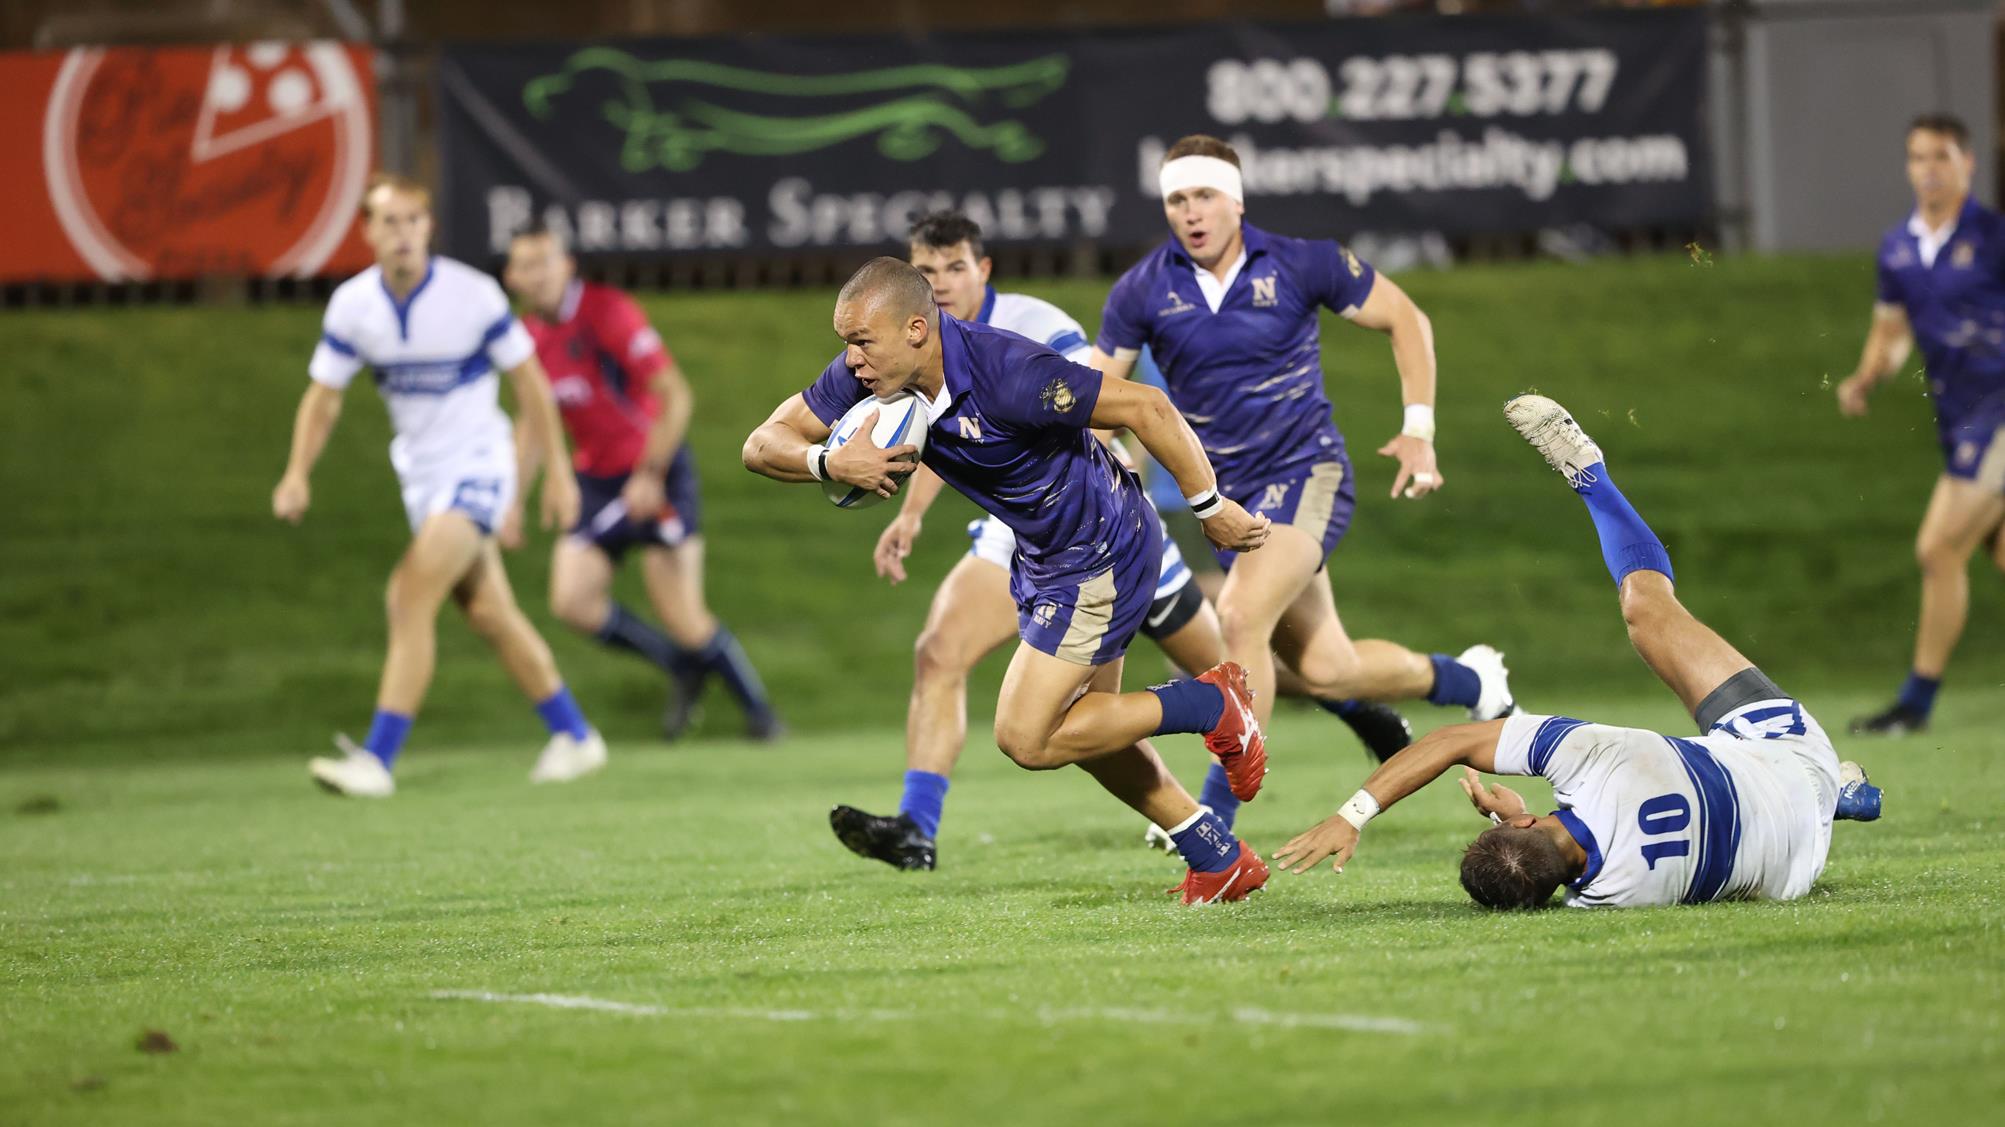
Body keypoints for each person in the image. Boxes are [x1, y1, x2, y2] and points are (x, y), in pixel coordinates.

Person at [833, 212, 1410, 871]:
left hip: (1097, 525)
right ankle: (922, 825)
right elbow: (942, 438)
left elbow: (1109, 414)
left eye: (952, 268)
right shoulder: (892, 356)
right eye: (925, 271)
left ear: (981, 270)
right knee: (970, 665)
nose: (939, 284)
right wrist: (904, 512)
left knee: (1210, 662)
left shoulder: (1029, 333)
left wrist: (1170, 501)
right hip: (1024, 540)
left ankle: (1340, 702)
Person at [745, 257, 1271, 903]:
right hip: (1047, 553)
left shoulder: (1008, 372)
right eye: (845, 343)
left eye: (861, 341)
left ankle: (1213, 704)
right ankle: (1216, 856)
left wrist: (1210, 507)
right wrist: (825, 459)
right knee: (1088, 728)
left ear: (915, 328)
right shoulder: (869, 377)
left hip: (1100, 547)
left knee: (1026, 735)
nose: (850, 359)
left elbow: (1145, 405)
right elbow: (760, 442)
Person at [1273, 396, 1884, 908]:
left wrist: (1514, 833)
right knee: (1646, 610)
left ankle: (1836, 794)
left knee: (1752, 812)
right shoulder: (1595, 760)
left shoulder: (1614, 896)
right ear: (1524, 822)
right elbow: (1450, 743)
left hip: (1801, 852)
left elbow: (1560, 861)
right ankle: (1591, 474)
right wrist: (1350, 815)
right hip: (1778, 750)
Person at [1088, 135, 1516, 817]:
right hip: (1225, 498)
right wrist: (1095, 454)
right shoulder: (1141, 288)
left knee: (1238, 614)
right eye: (1176, 199)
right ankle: (1468, 678)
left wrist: (1418, 428)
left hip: (1304, 470)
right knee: (1326, 669)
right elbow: (1098, 395)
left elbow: (1405, 318)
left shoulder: (1300, 261)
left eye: (1203, 195)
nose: (1190, 212)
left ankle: (1215, 818)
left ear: (1235, 199)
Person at [273, 173, 605, 797]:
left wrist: (556, 475)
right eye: (387, 221)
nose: (401, 233)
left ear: (429, 228)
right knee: (487, 612)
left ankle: (377, 759)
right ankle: (576, 736)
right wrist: (297, 472)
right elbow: (323, 399)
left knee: (408, 595)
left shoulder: (472, 295)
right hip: (421, 477)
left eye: (412, 220)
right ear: (367, 231)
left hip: (479, 464)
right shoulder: (353, 306)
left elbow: (531, 384)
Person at [504, 224, 780, 741]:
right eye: (526, 265)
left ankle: (761, 716)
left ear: (567, 266)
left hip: (657, 471)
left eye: (546, 261)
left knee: (684, 616)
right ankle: (681, 666)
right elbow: (533, 424)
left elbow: (676, 395)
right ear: (511, 276)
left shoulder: (608, 313)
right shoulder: (528, 339)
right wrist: (513, 500)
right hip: (597, 479)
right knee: (572, 601)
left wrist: (650, 473)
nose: (537, 275)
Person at [1836, 112, 2005, 735]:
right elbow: (1892, 332)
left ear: (1969, 163)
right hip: (1959, 420)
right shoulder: (1899, 247)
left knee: (1938, 548)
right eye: (1917, 157)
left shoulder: (1993, 234)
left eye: (1941, 156)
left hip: (2000, 412)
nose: (1928, 170)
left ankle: (1915, 705)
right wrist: (1866, 377)